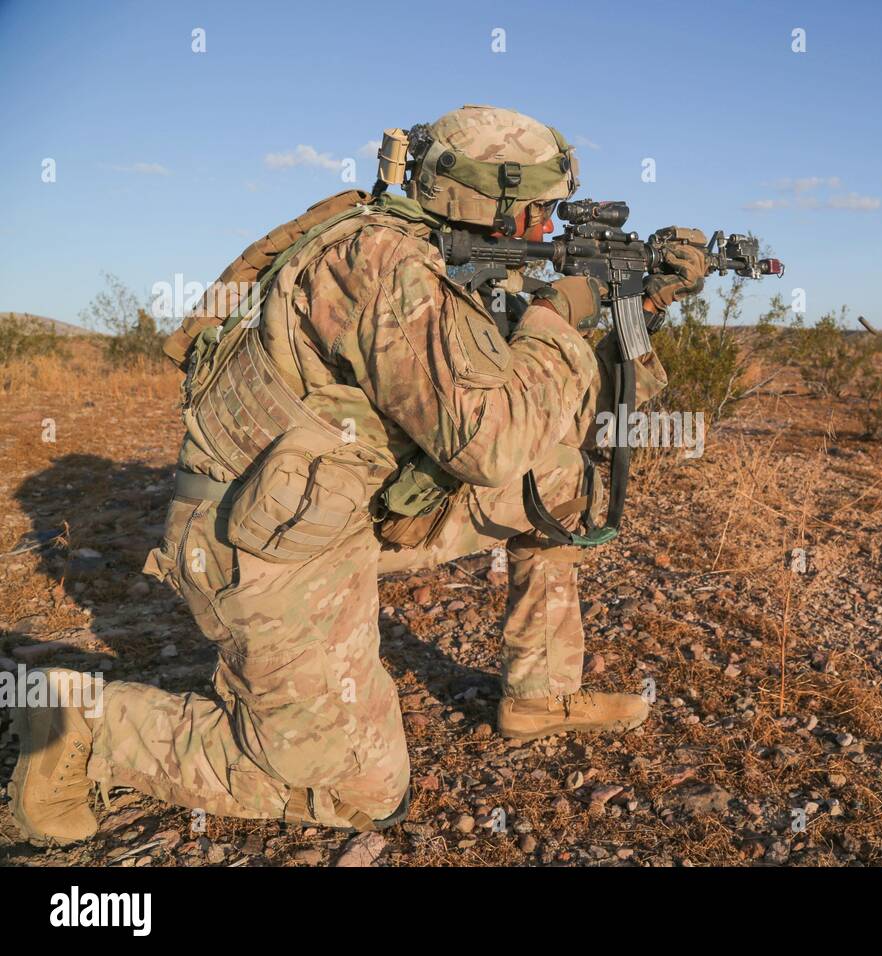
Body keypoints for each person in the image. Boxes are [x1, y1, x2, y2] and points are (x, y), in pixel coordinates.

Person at [8, 105, 707, 844]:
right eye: (538, 208)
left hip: (335, 509)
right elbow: (490, 443)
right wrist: (560, 315)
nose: (545, 227)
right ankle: (86, 723)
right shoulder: (385, 266)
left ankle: (539, 692)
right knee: (360, 793)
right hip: (266, 549)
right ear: (487, 197)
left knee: (561, 484)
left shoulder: (426, 256)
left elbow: (558, 419)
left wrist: (646, 305)